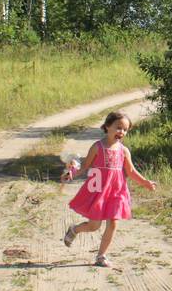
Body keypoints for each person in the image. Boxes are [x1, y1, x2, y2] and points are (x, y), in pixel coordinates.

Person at [60, 112, 156, 267]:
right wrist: (70, 174)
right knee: (94, 226)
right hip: (98, 190)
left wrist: (145, 182)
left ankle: (101, 256)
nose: (122, 132)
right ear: (107, 126)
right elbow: (84, 167)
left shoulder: (124, 151)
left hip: (117, 191)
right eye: (118, 128)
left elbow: (130, 171)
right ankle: (75, 230)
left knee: (113, 223)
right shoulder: (97, 147)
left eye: (125, 130)